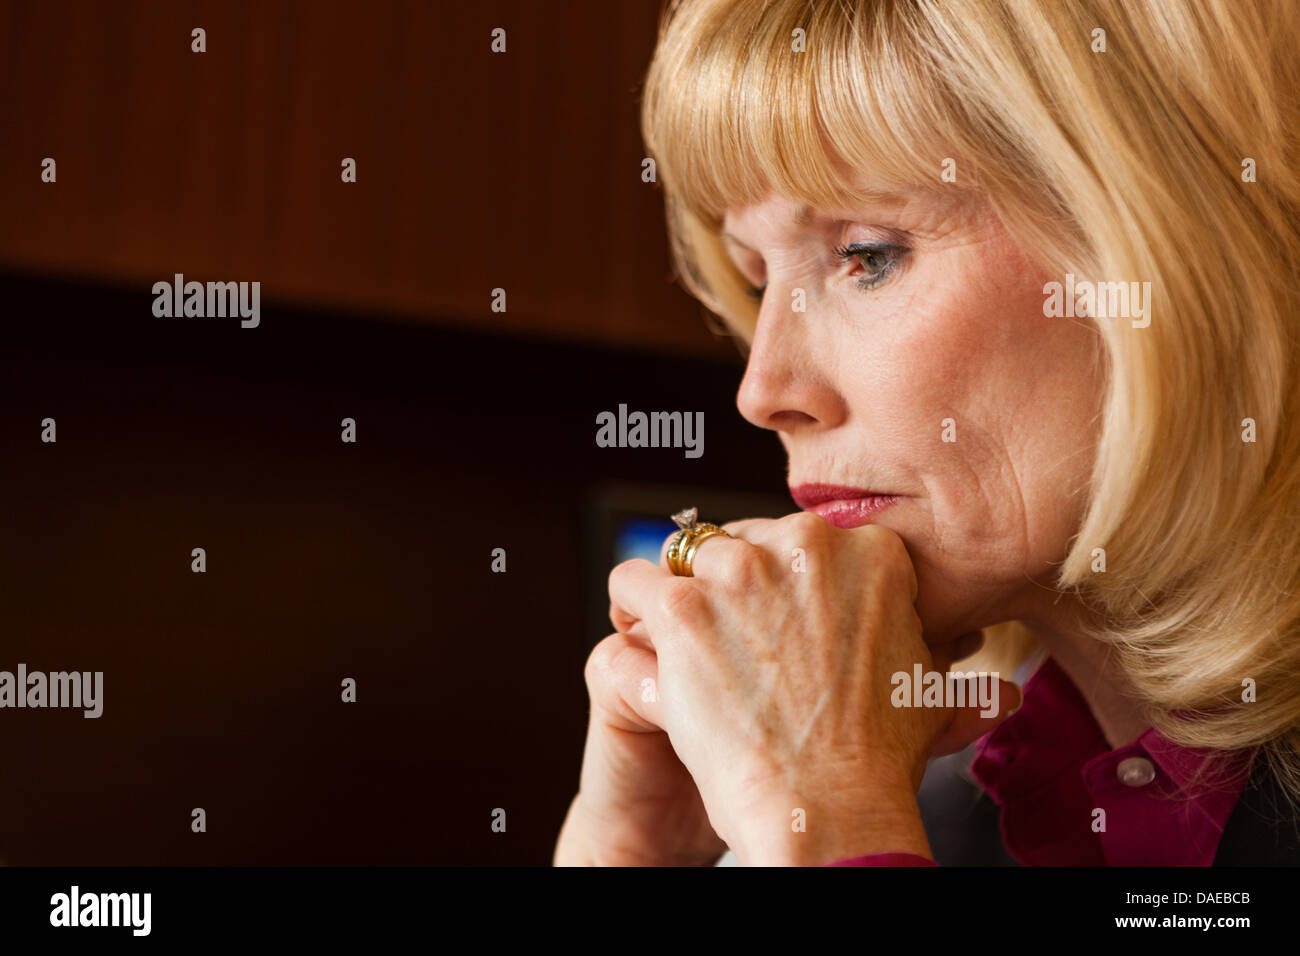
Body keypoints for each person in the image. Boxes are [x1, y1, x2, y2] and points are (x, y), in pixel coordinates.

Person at [554, 0, 1300, 866]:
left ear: (1182, 247)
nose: (763, 392)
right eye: (758, 282)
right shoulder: (952, 807)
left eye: (868, 254)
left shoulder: (866, 804)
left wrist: (829, 822)